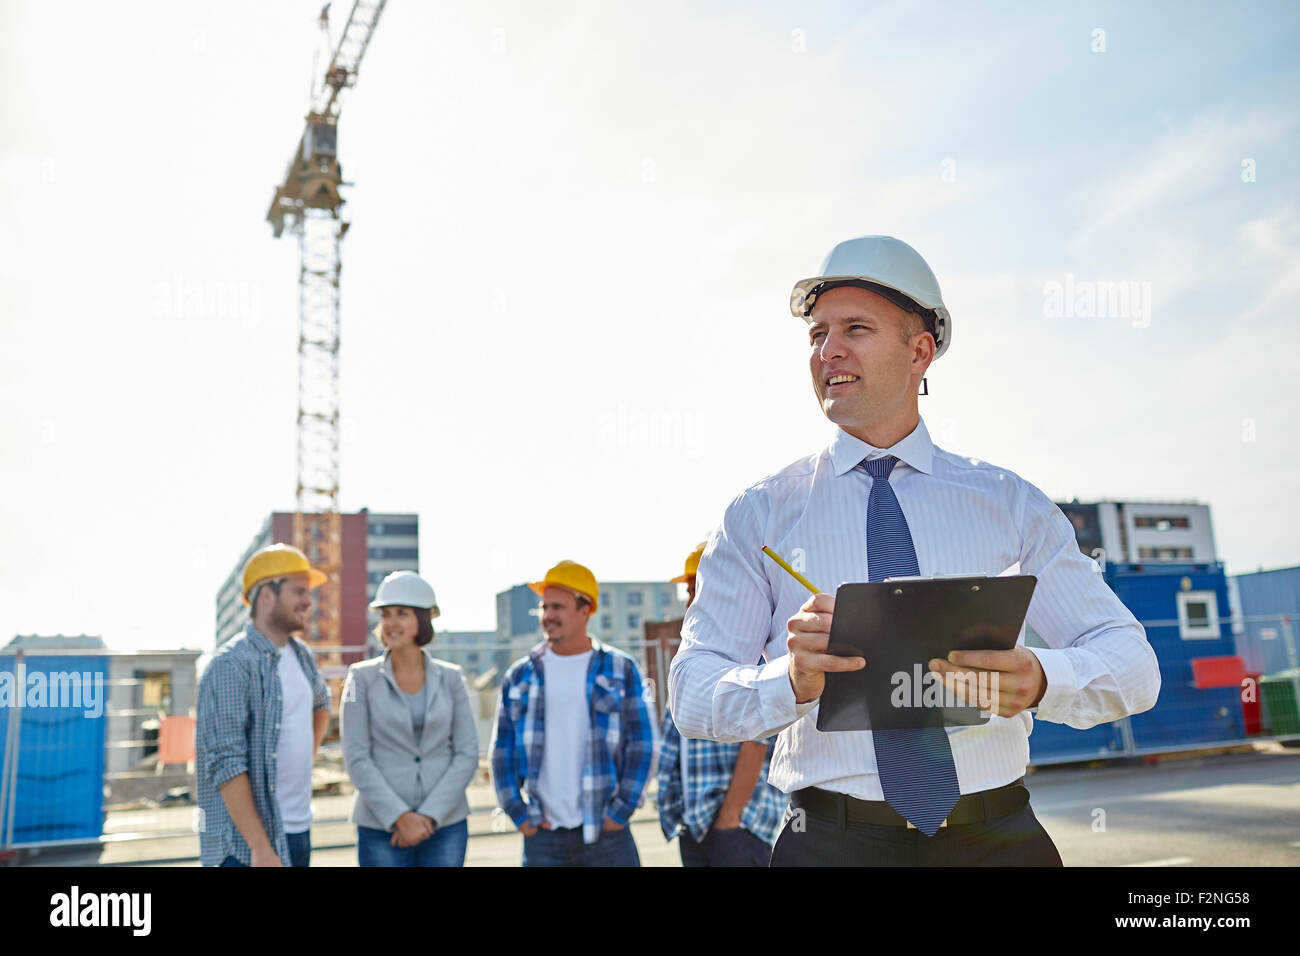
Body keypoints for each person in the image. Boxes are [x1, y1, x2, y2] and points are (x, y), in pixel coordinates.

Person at [668, 236, 1161, 866]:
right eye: (817, 333)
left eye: (856, 328)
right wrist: (787, 680)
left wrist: (1041, 678)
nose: (828, 350)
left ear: (919, 350)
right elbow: (691, 692)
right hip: (828, 847)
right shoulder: (757, 514)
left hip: (996, 841)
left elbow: (1134, 666)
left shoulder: (1011, 503)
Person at [490, 560, 654, 867]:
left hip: (607, 835)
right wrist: (519, 814)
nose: (548, 615)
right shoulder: (519, 676)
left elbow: (643, 744)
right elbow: (501, 751)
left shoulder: (621, 669)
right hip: (542, 837)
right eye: (544, 607)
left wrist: (620, 812)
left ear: (585, 610)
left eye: (558, 607)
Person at [196, 544, 332, 867]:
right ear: (266, 595)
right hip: (247, 848)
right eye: (299, 591)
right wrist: (260, 847)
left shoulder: (302, 656)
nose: (308, 601)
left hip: (298, 829)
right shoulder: (230, 665)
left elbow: (321, 705)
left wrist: (302, 757)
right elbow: (225, 761)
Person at [657, 542, 786, 866]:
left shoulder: (752, 650)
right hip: (696, 826)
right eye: (687, 590)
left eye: (695, 588)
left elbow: (755, 743)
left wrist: (729, 817)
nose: (690, 600)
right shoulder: (691, 660)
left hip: (737, 829)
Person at [341, 571, 479, 867]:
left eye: (402, 614)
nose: (391, 623)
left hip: (445, 824)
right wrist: (400, 817)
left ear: (423, 619)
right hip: (382, 826)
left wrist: (429, 816)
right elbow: (356, 757)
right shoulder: (358, 678)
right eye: (386, 614)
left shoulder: (452, 678)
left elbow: (467, 752)